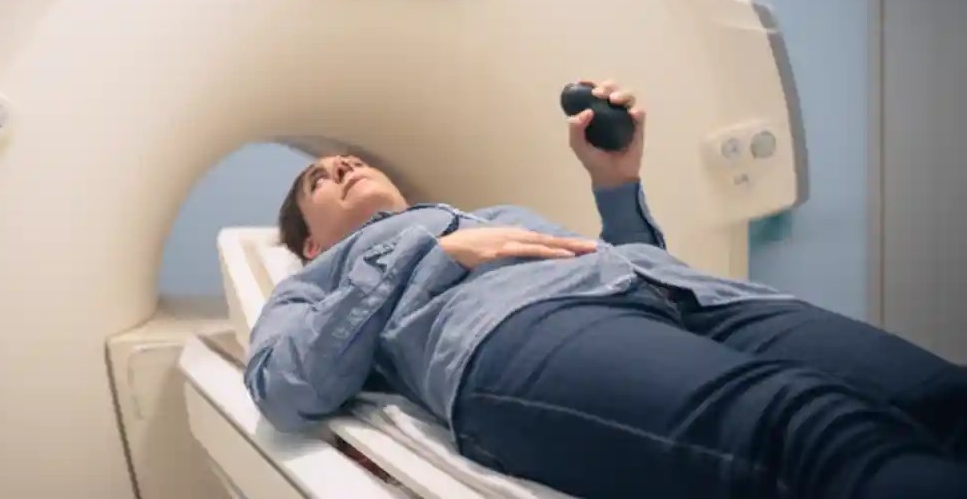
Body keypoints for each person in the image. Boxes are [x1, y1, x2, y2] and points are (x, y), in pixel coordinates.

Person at [243, 80, 967, 499]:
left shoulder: (496, 214)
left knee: (939, 395)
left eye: (347, 159)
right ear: (312, 242)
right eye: (321, 178)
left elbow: (627, 259)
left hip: (691, 296)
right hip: (518, 336)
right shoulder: (312, 287)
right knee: (814, 428)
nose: (340, 164)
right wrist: (429, 252)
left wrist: (614, 183)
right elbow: (284, 386)